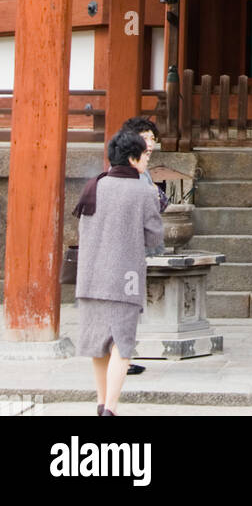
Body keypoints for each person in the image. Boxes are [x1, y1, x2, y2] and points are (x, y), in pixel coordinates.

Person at [73, 127, 164, 416]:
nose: (147, 160)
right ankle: (111, 409)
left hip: (89, 278)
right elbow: (154, 239)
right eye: (145, 154)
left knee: (97, 346)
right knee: (122, 345)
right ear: (134, 158)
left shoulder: (94, 185)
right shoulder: (143, 191)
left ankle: (101, 404)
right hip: (125, 280)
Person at [121, 116, 167, 376]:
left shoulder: (143, 169)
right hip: (128, 246)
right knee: (125, 306)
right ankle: (120, 357)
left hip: (137, 244)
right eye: (145, 138)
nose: (150, 143)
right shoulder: (128, 171)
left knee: (130, 306)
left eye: (152, 138)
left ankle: (124, 356)